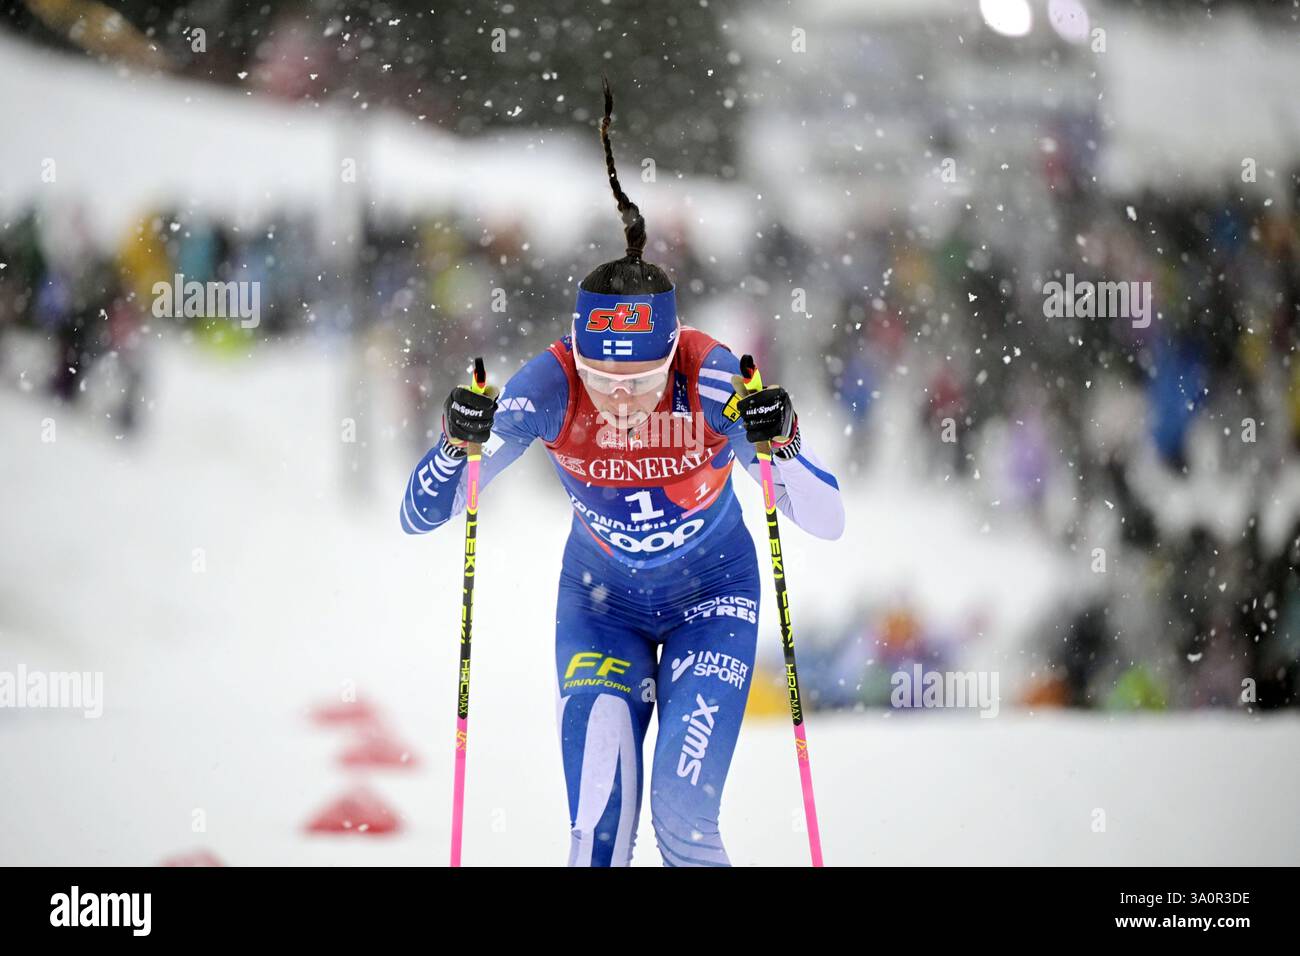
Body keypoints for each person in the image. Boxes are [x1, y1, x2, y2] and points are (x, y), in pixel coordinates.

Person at [400, 80, 844, 866]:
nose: (622, 399)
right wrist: (453, 443)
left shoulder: (712, 378)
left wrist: (782, 441)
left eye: (642, 379)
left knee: (682, 817)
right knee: (594, 836)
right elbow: (423, 514)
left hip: (713, 599)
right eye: (603, 380)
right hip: (601, 608)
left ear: (673, 354)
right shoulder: (548, 386)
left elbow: (825, 519)